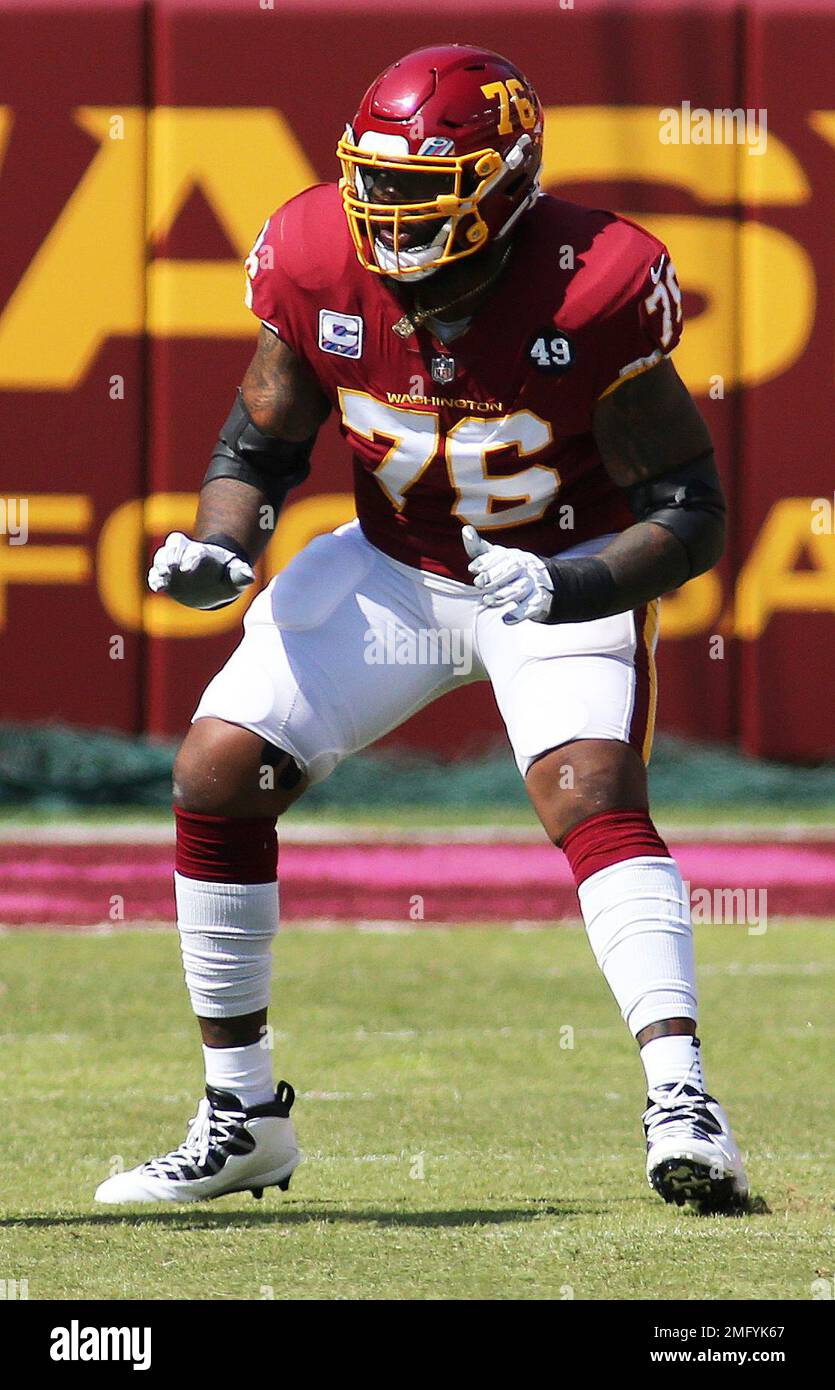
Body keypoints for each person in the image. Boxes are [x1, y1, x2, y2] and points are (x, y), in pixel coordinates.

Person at [95, 44, 748, 1212]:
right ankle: (240, 1116)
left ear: (502, 190)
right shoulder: (309, 258)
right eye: (375, 184)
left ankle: (681, 1099)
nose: (387, 216)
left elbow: (689, 514)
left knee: (590, 786)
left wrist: (579, 588)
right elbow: (259, 449)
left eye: (420, 191)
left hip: (547, 571)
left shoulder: (590, 284)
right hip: (395, 567)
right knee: (216, 767)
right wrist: (225, 545)